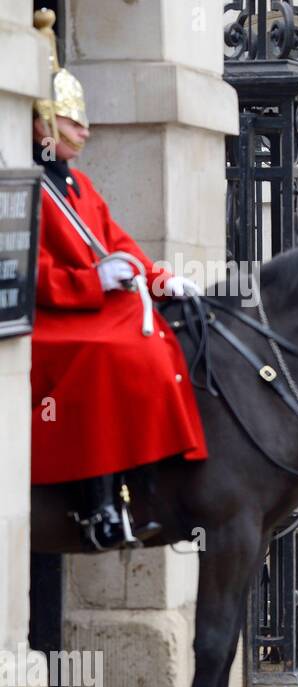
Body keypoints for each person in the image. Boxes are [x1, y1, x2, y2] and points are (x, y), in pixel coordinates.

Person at [29, 9, 206, 551]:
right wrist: (91, 282)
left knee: (156, 334)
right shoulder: (26, 185)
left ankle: (143, 474)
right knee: (110, 352)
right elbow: (30, 273)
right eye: (73, 120)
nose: (85, 129)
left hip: (84, 305)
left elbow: (119, 244)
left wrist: (158, 278)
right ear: (43, 124)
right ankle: (99, 503)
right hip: (50, 316)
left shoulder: (76, 184)